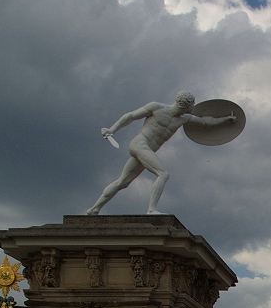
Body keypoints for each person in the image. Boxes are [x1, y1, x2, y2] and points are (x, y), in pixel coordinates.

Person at [86, 91, 237, 215]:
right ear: (186, 104)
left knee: (122, 182)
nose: (194, 106)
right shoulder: (157, 107)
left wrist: (227, 119)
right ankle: (151, 210)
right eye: (193, 103)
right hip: (140, 144)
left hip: (147, 149)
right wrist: (112, 129)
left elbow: (206, 123)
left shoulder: (184, 118)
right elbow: (130, 116)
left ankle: (94, 209)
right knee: (163, 174)